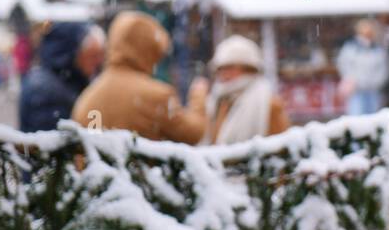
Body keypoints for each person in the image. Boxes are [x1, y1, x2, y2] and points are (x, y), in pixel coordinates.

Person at [71, 11, 208, 144]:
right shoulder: (157, 96)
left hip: (97, 168)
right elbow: (192, 134)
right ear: (151, 51)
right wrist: (198, 98)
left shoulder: (88, 97)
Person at [19, 22, 106, 133]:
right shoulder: (46, 91)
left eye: (100, 55)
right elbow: (52, 144)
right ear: (72, 54)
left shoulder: (68, 81)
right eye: (93, 55)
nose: (98, 62)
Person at [204, 35, 291, 144]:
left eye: (230, 68)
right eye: (220, 69)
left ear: (248, 69)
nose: (224, 74)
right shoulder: (217, 101)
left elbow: (280, 147)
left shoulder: (269, 104)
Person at [336, 19, 389, 115]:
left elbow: (384, 68)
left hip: (373, 89)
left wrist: (377, 82)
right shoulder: (351, 47)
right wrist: (352, 79)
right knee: (356, 115)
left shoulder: (378, 50)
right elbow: (344, 64)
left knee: (373, 116)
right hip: (356, 89)